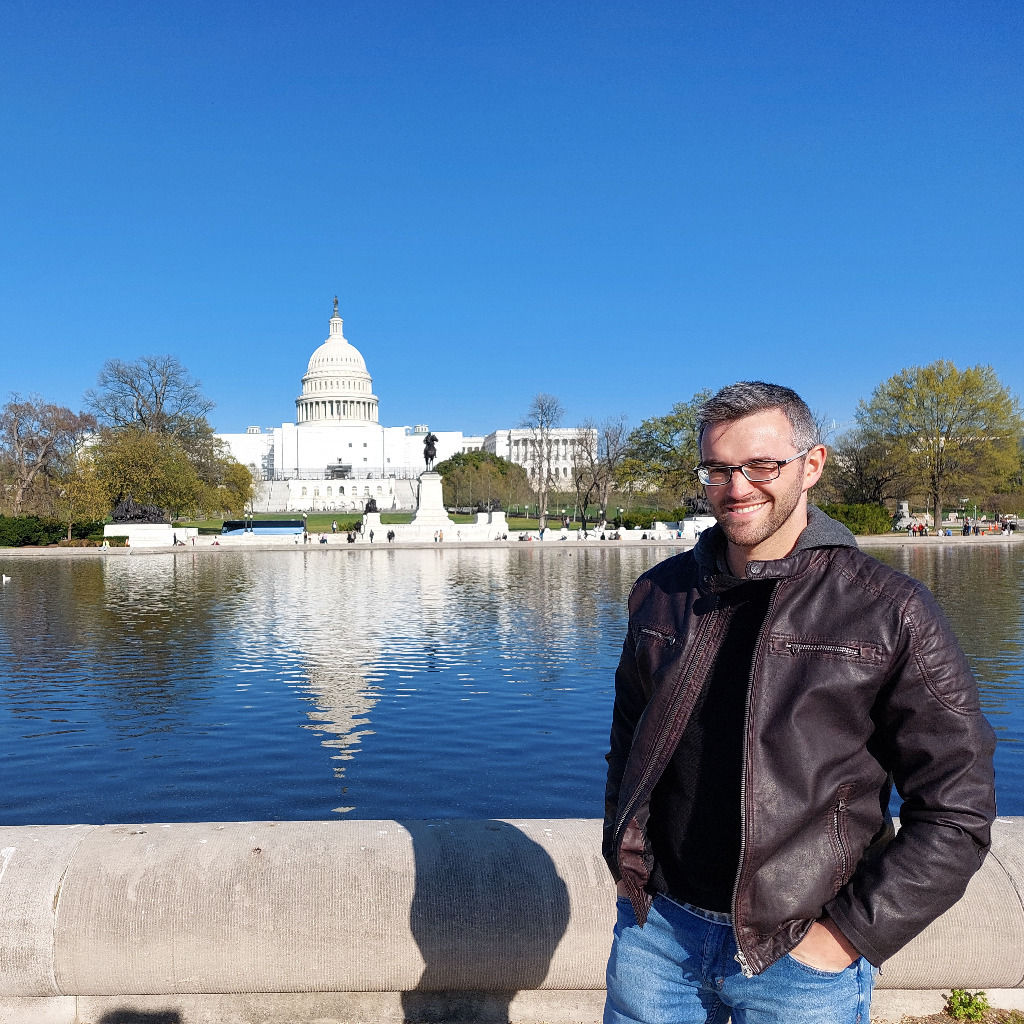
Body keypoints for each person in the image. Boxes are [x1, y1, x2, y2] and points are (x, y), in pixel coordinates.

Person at [603, 381, 996, 1024]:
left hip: (802, 949)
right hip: (660, 931)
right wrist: (628, 867)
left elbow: (957, 804)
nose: (738, 487)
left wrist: (845, 938)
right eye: (718, 468)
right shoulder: (661, 593)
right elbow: (628, 742)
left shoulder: (888, 608)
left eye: (762, 465)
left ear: (812, 465)